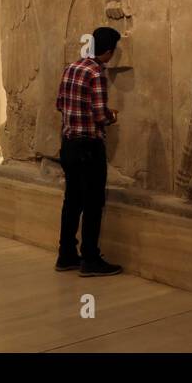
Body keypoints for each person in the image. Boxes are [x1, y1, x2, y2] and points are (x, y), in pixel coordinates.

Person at [54, 26, 123, 277]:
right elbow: (99, 114)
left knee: (72, 200)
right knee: (93, 202)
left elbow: (60, 104)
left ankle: (66, 254)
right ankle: (91, 258)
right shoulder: (96, 73)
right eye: (113, 51)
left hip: (69, 144)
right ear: (107, 51)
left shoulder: (72, 67)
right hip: (89, 147)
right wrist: (111, 116)